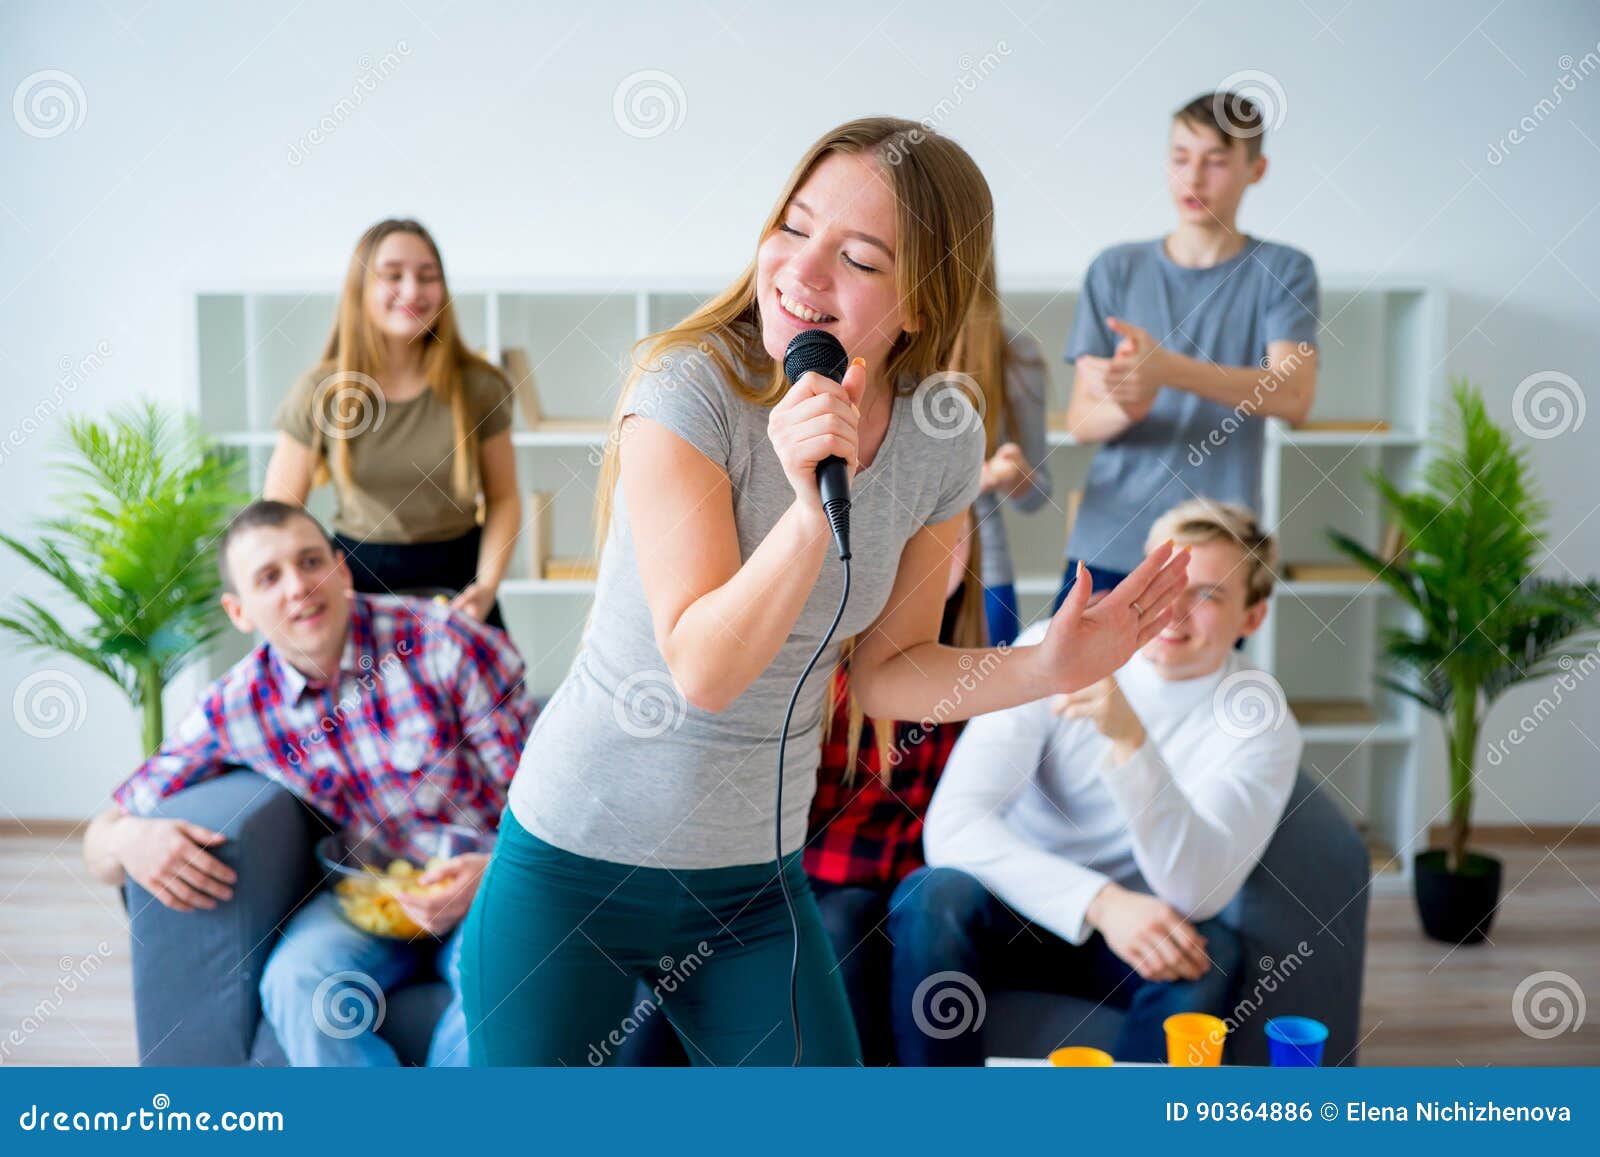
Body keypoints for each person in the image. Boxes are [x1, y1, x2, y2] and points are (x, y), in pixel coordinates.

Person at [459, 116, 1191, 1067]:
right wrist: (810, 513)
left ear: (921, 302)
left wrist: (1042, 665)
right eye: (793, 227)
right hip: (575, 861)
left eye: (857, 258)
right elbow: (705, 668)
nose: (801, 273)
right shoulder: (690, 389)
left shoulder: (941, 432)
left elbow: (890, 671)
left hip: (750, 887)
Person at [81, 500, 536, 1066]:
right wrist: (126, 840)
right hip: (367, 895)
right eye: (269, 577)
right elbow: (102, 839)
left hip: (490, 881)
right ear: (239, 610)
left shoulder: (447, 643)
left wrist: (490, 871)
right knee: (296, 982)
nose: (298, 586)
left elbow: (543, 811)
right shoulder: (236, 707)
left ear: (341, 571)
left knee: (507, 984)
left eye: (310, 561)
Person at [890, 499, 1301, 1064]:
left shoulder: (1258, 718)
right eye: (1163, 582)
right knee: (933, 896)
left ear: (1252, 617)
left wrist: (1130, 740)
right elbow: (952, 830)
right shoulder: (1051, 649)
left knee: (1212, 955)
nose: (1174, 611)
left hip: (1131, 939)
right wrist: (1100, 903)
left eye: (1208, 594)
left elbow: (1196, 891)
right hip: (1012, 904)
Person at [1057, 90, 1319, 607]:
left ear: (1256, 168)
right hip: (1110, 538)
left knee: (1202, 689)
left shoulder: (1284, 270)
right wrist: (1128, 402)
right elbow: (1081, 423)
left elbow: (1294, 396)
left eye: (1216, 161)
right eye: (1180, 159)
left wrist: (1167, 370)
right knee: (1082, 690)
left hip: (1217, 552)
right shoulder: (1115, 268)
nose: (1194, 178)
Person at [263, 218, 520, 629]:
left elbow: (504, 498)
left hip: (458, 585)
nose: (413, 291)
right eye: (392, 275)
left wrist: (486, 587)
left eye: (427, 276)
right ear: (359, 290)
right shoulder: (322, 390)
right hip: (354, 584)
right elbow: (278, 515)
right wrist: (310, 581)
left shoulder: (480, 387)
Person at [955, 254, 1054, 646]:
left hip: (984, 576)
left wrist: (1015, 476)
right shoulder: (881, 344)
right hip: (888, 574)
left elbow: (1038, 494)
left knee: (985, 705)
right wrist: (977, 478)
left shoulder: (1015, 355)